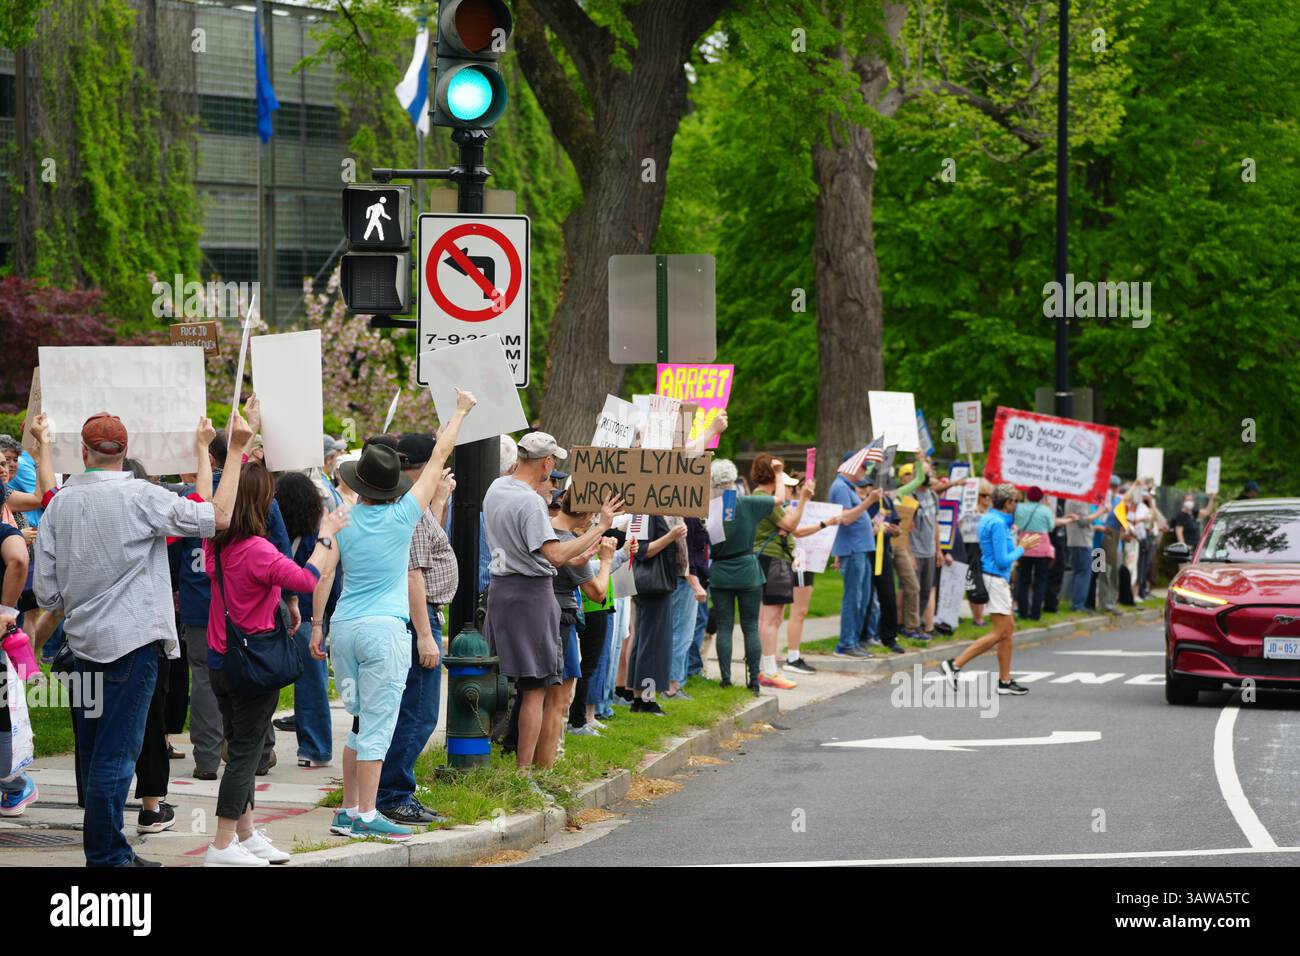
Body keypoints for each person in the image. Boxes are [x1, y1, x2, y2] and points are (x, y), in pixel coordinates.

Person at [34, 403, 256, 867]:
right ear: (126, 451)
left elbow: (48, 595)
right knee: (117, 755)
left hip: (82, 646)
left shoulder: (60, 506)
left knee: (97, 754)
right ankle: (107, 856)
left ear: (85, 451)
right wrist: (233, 451)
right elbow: (216, 518)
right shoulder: (142, 498)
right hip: (132, 646)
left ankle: (108, 849)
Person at [315, 390, 475, 841]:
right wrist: (460, 410)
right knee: (379, 727)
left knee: (358, 722)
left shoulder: (341, 515)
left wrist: (315, 625)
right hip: (384, 629)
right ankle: (367, 814)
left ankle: (347, 809)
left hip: (343, 627)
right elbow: (440, 452)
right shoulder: (406, 514)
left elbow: (324, 575)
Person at [203, 460, 348, 866]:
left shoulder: (216, 545)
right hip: (254, 662)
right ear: (262, 503)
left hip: (221, 660)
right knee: (246, 754)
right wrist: (326, 535)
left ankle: (245, 836)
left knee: (240, 750)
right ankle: (220, 845)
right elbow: (304, 579)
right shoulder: (258, 550)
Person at [482, 431, 622, 773]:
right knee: (536, 687)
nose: (554, 467)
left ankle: (479, 756)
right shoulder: (530, 501)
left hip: (500, 589)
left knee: (493, 680)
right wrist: (599, 527)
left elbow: (544, 553)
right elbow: (554, 555)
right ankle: (524, 772)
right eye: (553, 461)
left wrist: (578, 555)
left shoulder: (496, 487)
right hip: (530, 595)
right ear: (546, 462)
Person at [178, 427, 293, 780]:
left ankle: (208, 759)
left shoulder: (188, 498)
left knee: (204, 680)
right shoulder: (259, 494)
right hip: (252, 604)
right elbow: (282, 553)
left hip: (200, 602)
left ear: (208, 457)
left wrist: (176, 591)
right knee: (259, 673)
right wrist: (291, 601)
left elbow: (172, 553)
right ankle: (258, 752)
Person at [375, 432, 458, 825]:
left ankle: (392, 788)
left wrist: (438, 501)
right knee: (418, 713)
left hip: (414, 614)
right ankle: (392, 794)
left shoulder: (413, 505)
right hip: (417, 616)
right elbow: (413, 575)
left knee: (408, 710)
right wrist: (427, 635)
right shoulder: (407, 506)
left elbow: (426, 546)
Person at [942, 483, 1040, 696]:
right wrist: (1024, 547)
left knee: (1008, 630)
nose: (1017, 505)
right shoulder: (996, 523)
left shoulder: (992, 518)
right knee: (1000, 632)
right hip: (995, 579)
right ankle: (954, 665)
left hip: (994, 578)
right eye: (1015, 501)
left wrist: (1019, 544)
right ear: (1008, 503)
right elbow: (1003, 560)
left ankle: (1004, 681)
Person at [274, 471, 339, 769]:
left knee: (264, 678)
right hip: (310, 609)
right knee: (312, 682)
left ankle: (261, 748)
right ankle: (314, 749)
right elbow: (329, 575)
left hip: (271, 608)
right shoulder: (318, 533)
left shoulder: (270, 530)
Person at [551, 492, 615, 731]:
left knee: (536, 692)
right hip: (561, 617)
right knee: (558, 697)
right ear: (587, 513)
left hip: (537, 611)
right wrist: (607, 560)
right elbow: (597, 593)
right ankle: (548, 756)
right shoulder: (568, 542)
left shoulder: (545, 529)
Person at [750, 453, 815, 688]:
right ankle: (768, 671)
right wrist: (804, 499)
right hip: (771, 559)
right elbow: (790, 525)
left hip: (775, 559)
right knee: (770, 618)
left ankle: (767, 668)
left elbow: (789, 526)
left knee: (774, 617)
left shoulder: (767, 498)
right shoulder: (763, 497)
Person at [827, 452, 881, 658]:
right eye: (862, 467)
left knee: (863, 598)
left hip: (859, 549)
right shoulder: (840, 487)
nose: (865, 471)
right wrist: (869, 502)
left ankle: (854, 640)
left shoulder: (846, 488)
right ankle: (845, 644)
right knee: (853, 598)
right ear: (850, 467)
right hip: (852, 550)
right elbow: (846, 519)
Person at [1012, 486, 1076, 621]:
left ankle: (1023, 611)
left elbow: (1016, 524)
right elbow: (1051, 526)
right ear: (1041, 497)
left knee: (1024, 580)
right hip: (1042, 549)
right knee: (1040, 582)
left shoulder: (1019, 508)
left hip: (1024, 547)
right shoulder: (1045, 510)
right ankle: (1036, 613)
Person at [1062, 496, 1097, 612]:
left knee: (1080, 572)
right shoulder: (1082, 500)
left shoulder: (1070, 499)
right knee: (1085, 573)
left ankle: (1078, 602)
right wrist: (1101, 511)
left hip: (1075, 541)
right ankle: (1079, 604)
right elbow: (1084, 521)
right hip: (1085, 542)